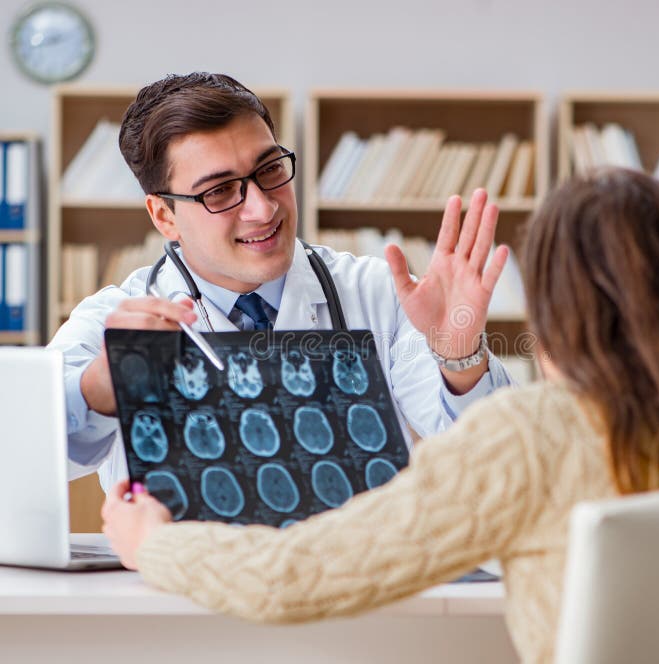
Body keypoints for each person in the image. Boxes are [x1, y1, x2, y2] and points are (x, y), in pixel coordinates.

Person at [103, 167, 659, 663]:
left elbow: (296, 577)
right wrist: (456, 349)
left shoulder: (537, 435)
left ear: (560, 310)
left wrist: (152, 544)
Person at [47, 72, 513, 490]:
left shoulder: (378, 294)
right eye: (220, 191)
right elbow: (28, 455)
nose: (264, 209)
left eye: (269, 170)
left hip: (356, 580)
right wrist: (98, 390)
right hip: (184, 584)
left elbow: (491, 461)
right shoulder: (115, 321)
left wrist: (460, 357)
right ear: (164, 216)